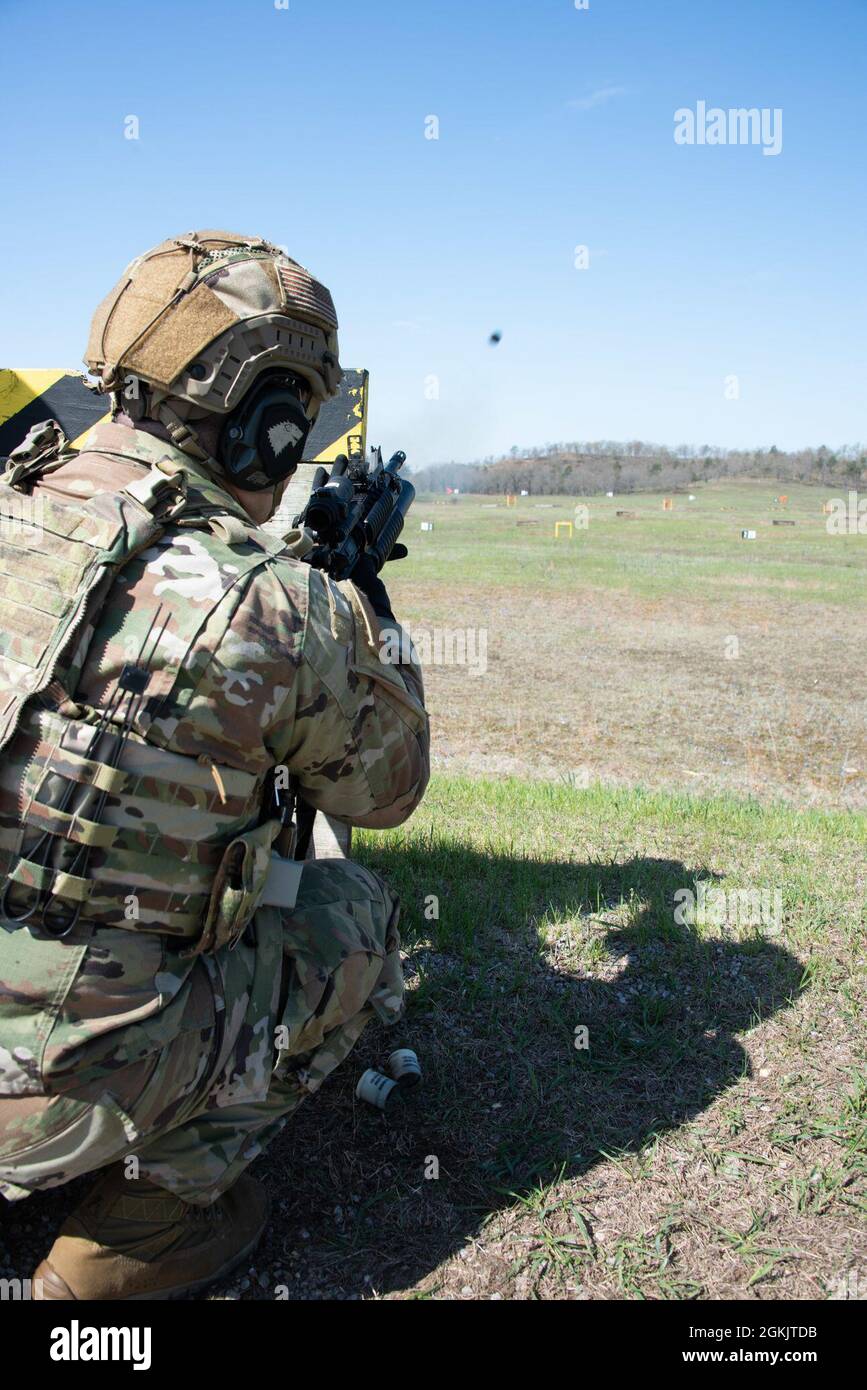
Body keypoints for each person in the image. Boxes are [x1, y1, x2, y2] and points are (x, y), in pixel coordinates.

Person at [0, 230, 429, 1299]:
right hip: (37, 1097)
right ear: (267, 417)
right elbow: (393, 787)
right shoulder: (276, 605)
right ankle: (129, 1243)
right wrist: (367, 609)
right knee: (355, 921)